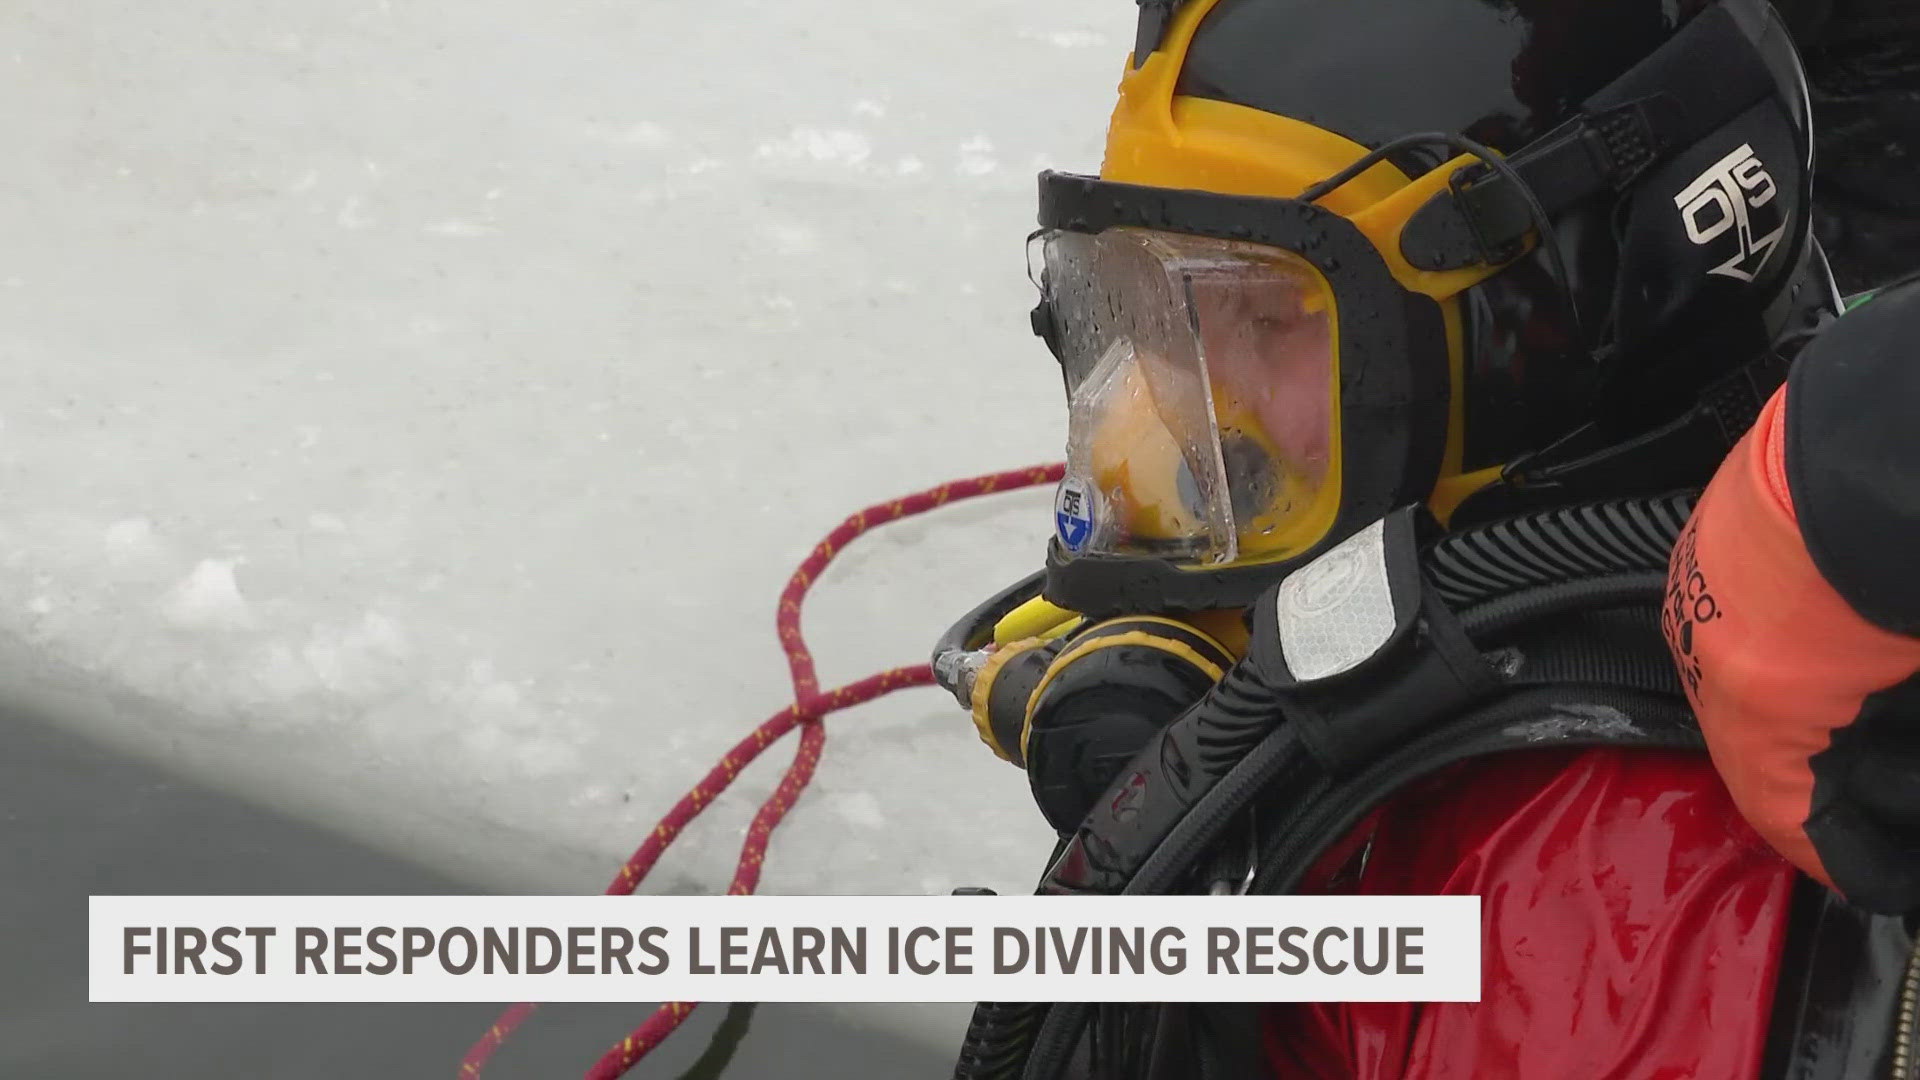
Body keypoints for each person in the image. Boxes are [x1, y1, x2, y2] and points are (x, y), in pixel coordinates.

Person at [935, 0, 1920, 1075]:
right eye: (1156, 316)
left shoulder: (1580, 910)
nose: (1185, 418)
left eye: (1262, 320)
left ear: (1533, 340)